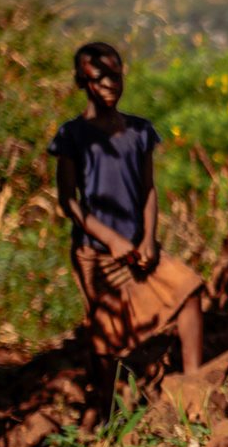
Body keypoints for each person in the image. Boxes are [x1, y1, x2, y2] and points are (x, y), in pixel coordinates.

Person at [50, 41, 205, 408]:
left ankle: (197, 385)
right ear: (82, 81)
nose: (110, 84)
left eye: (116, 75)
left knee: (190, 293)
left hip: (139, 249)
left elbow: (148, 189)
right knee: (105, 336)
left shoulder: (139, 132)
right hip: (98, 253)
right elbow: (68, 200)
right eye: (100, 77)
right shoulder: (72, 136)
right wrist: (111, 240)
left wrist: (148, 239)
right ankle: (104, 411)